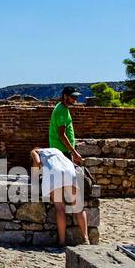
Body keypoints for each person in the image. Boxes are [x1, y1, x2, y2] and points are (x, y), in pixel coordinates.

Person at [30, 87, 89, 246]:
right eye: (72, 97)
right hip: (64, 158)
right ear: (64, 96)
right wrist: (74, 152)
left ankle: (62, 241)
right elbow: (62, 134)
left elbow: (37, 163)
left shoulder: (38, 152)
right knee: (78, 205)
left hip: (56, 168)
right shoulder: (62, 110)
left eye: (76, 97)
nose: (75, 99)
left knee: (59, 207)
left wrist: (36, 179)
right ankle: (86, 239)